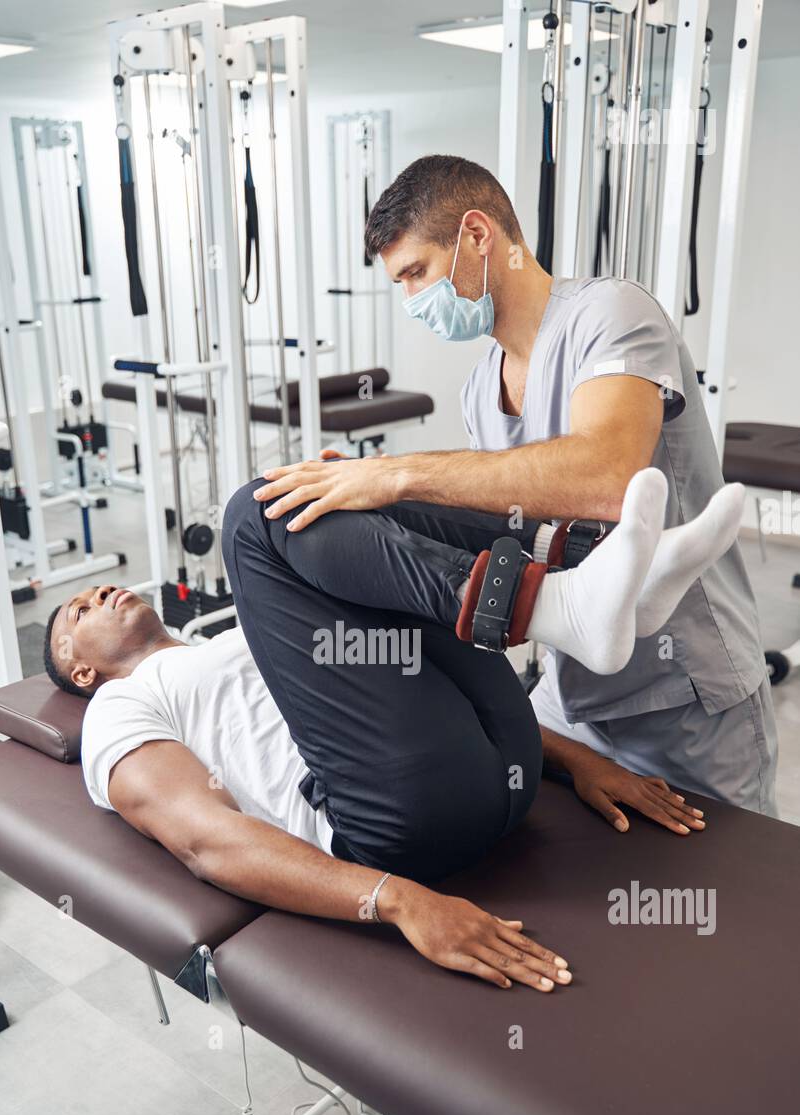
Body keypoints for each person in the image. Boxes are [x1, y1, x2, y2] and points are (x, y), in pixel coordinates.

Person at [43, 467, 740, 990]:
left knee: (354, 489)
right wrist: (397, 901)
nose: (97, 594)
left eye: (91, 591)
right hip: (391, 821)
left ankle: (604, 571)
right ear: (80, 674)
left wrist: (573, 759)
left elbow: (395, 693)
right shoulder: (116, 713)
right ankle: (562, 595)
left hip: (500, 765)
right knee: (255, 514)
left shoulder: (227, 641)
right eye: (77, 612)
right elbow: (206, 842)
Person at [253, 155, 777, 817]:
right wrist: (383, 509)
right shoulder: (482, 388)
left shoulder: (609, 313)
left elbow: (607, 478)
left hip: (683, 694)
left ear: (477, 236)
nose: (414, 301)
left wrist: (395, 475)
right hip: (572, 694)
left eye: (416, 273)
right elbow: (514, 533)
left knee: (726, 898)